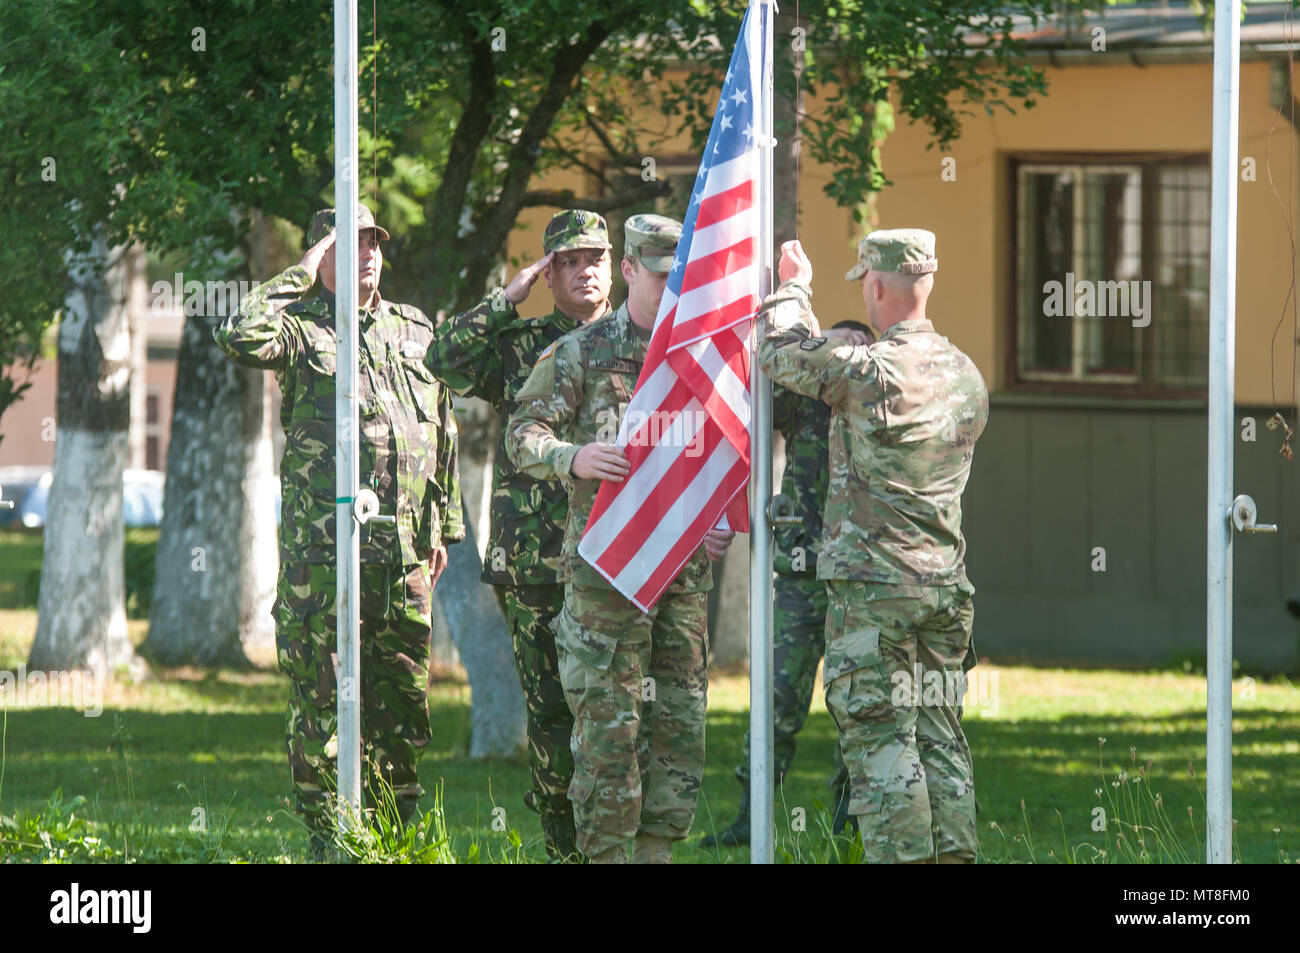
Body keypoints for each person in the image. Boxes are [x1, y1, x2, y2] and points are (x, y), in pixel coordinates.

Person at [214, 204, 464, 857]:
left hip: (403, 559)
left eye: (373, 242)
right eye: (349, 244)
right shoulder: (299, 331)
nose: (369, 254)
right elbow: (240, 333)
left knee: (401, 709)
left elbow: (441, 427)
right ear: (322, 253)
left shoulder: (412, 329)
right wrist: (298, 273)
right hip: (323, 559)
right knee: (323, 705)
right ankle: (333, 846)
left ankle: (392, 844)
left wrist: (442, 524)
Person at [505, 213, 735, 864]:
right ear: (629, 269)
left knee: (679, 724)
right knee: (608, 728)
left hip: (682, 575)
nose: (671, 287)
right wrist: (570, 457)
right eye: (659, 275)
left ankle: (656, 852)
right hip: (605, 577)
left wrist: (718, 510)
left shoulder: (699, 352)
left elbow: (720, 446)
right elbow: (522, 433)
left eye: (680, 276)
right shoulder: (581, 349)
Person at [755, 229, 988, 864]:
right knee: (941, 738)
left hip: (874, 594)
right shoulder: (966, 375)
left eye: (864, 281)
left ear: (876, 286)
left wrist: (794, 286)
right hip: (944, 589)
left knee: (883, 742)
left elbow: (777, 353)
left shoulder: (870, 371)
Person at [424, 209, 613, 860]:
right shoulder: (520, 343)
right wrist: (505, 298)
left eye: (596, 257)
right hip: (539, 558)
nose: (585, 270)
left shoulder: (640, 343)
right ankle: (564, 846)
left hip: (622, 557)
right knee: (553, 713)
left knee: (620, 711)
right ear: (549, 270)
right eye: (568, 260)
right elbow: (440, 359)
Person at [702, 320, 872, 849]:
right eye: (832, 342)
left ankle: (856, 816)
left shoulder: (878, 398)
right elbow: (752, 395)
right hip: (801, 576)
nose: (838, 351)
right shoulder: (806, 399)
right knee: (776, 699)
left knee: (862, 702)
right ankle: (751, 816)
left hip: (860, 579)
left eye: (853, 343)